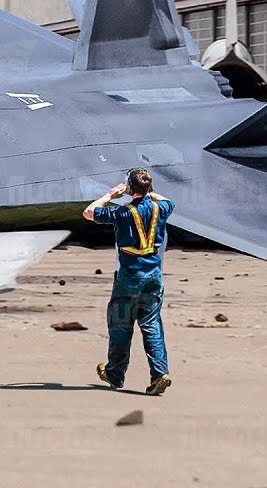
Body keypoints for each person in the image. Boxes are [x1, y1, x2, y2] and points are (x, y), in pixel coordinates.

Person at [82, 168, 175, 396]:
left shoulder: (122, 213)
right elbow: (168, 201)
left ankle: (115, 372)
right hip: (153, 276)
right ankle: (159, 373)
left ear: (130, 188)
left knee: (121, 325)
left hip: (129, 277)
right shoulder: (161, 209)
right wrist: (149, 193)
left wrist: (110, 195)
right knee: (151, 324)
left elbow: (88, 212)